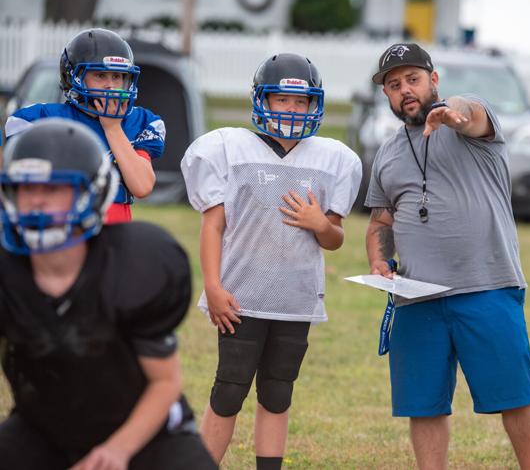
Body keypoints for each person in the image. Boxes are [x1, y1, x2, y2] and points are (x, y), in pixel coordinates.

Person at [364, 42, 530, 470]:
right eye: (394, 85)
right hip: (416, 297)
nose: (405, 89)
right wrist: (379, 261)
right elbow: (380, 224)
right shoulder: (387, 155)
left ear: (434, 80)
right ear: (386, 95)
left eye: (413, 79)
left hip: (486, 287)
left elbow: (472, 113)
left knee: (514, 396)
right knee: (423, 406)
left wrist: (452, 112)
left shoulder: (472, 125)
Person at [0, 118, 216, 469]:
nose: (37, 202)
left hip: (144, 429)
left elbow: (165, 383)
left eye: (54, 189)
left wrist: (118, 449)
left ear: (93, 193)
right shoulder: (8, 269)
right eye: (26, 188)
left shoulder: (134, 265)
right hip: (45, 428)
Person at [180, 52, 361, 469]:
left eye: (302, 102)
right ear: (262, 99)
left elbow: (334, 239)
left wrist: (320, 222)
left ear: (315, 105)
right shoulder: (227, 148)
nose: (293, 110)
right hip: (240, 295)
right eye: (283, 100)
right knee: (228, 391)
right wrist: (212, 284)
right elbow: (213, 227)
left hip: (294, 300)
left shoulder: (332, 159)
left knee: (278, 394)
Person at [3, 28, 165, 224]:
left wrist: (113, 128)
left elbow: (142, 186)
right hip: (60, 222)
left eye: (117, 76)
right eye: (100, 75)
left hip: (115, 229)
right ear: (73, 77)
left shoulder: (139, 121)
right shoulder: (41, 119)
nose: (111, 86)